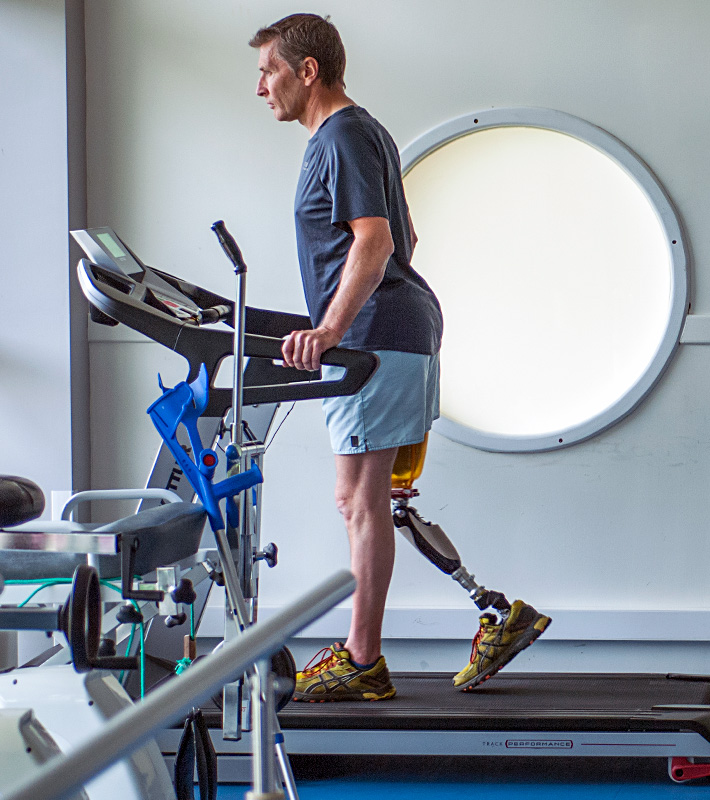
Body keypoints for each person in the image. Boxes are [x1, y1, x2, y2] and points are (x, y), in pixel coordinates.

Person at [251, 14, 548, 701]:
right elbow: (406, 231)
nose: (260, 87)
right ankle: (488, 612)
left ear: (307, 71)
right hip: (389, 331)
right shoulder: (361, 133)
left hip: (375, 337)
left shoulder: (343, 134)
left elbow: (379, 241)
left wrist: (330, 328)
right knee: (369, 499)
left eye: (268, 71)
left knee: (361, 500)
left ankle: (363, 661)